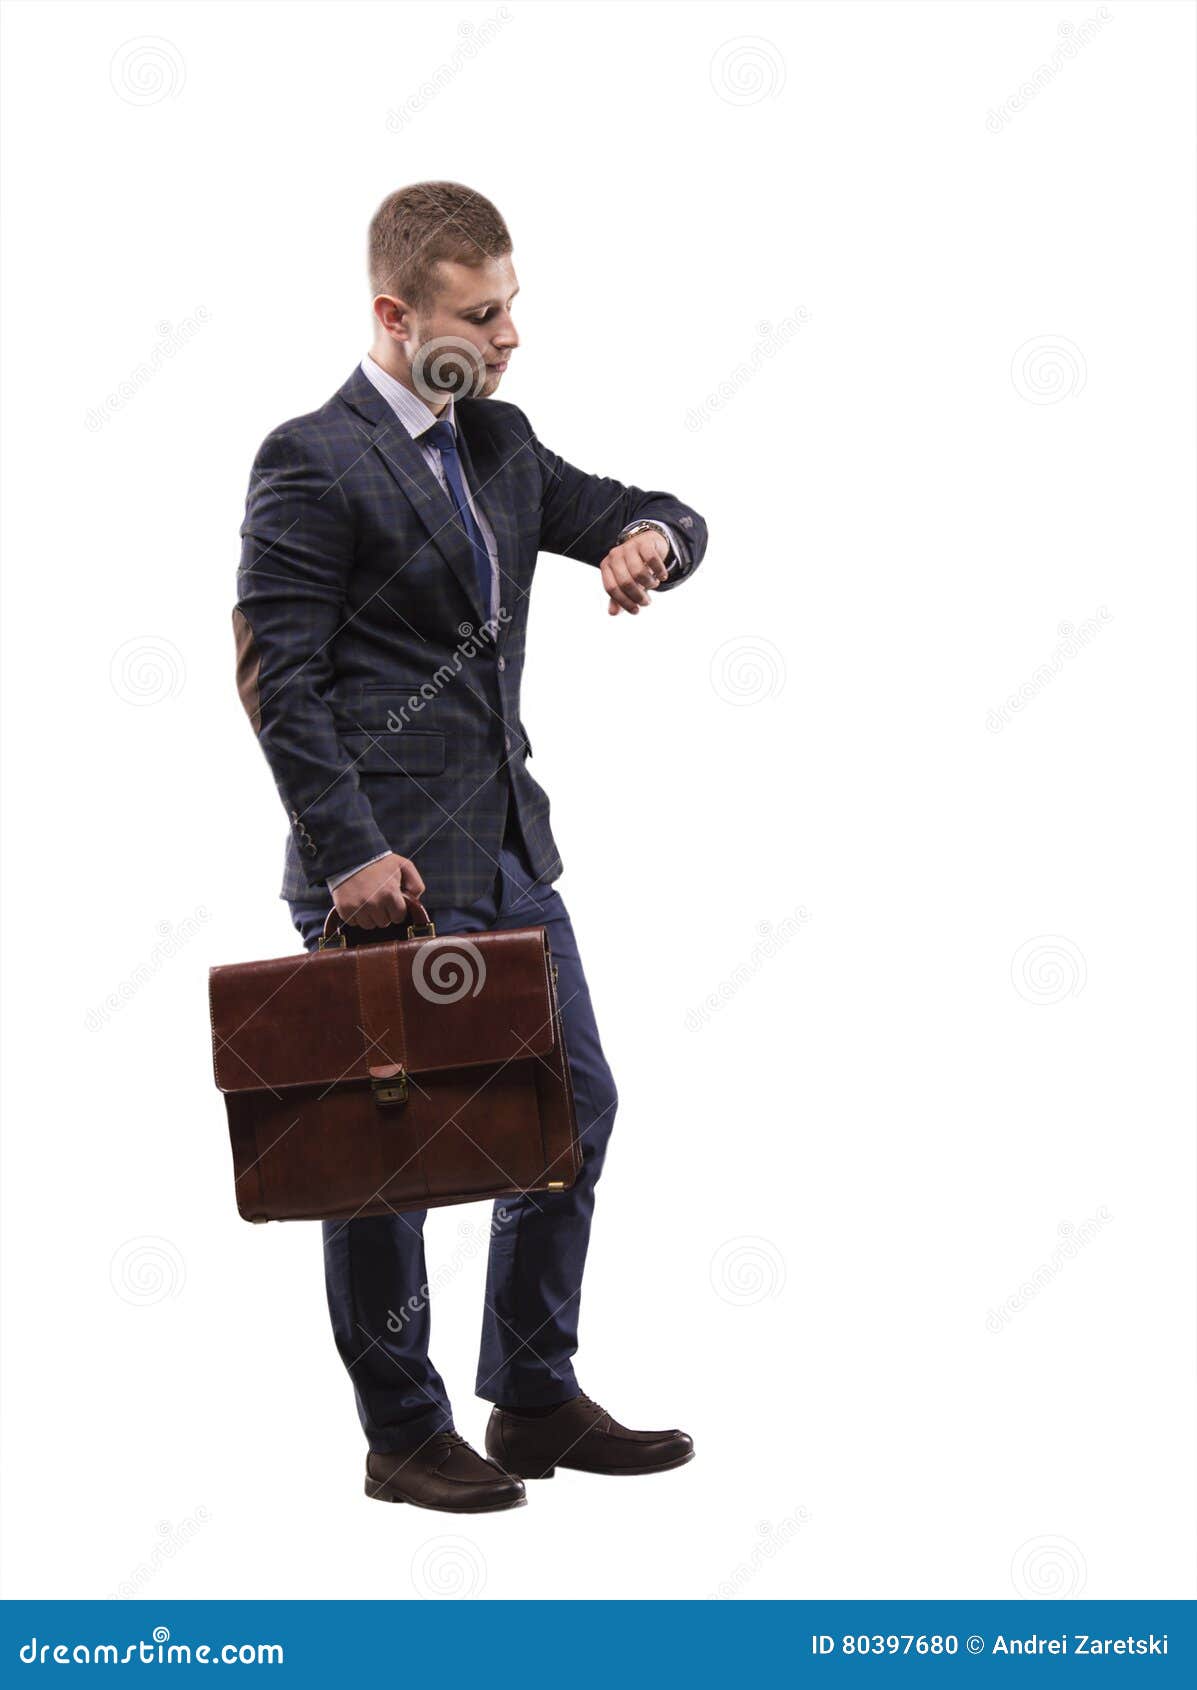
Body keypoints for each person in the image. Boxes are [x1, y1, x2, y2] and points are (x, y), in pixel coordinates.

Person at [233, 181, 708, 1513]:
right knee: (381, 1163)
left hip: (505, 853)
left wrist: (647, 540)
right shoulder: (310, 458)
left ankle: (534, 1394)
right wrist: (347, 855)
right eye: (480, 314)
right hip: (378, 875)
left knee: (570, 1109)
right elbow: (283, 677)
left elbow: (655, 504)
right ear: (396, 315)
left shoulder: (497, 443)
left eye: (511, 307)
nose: (508, 337)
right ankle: (403, 1430)